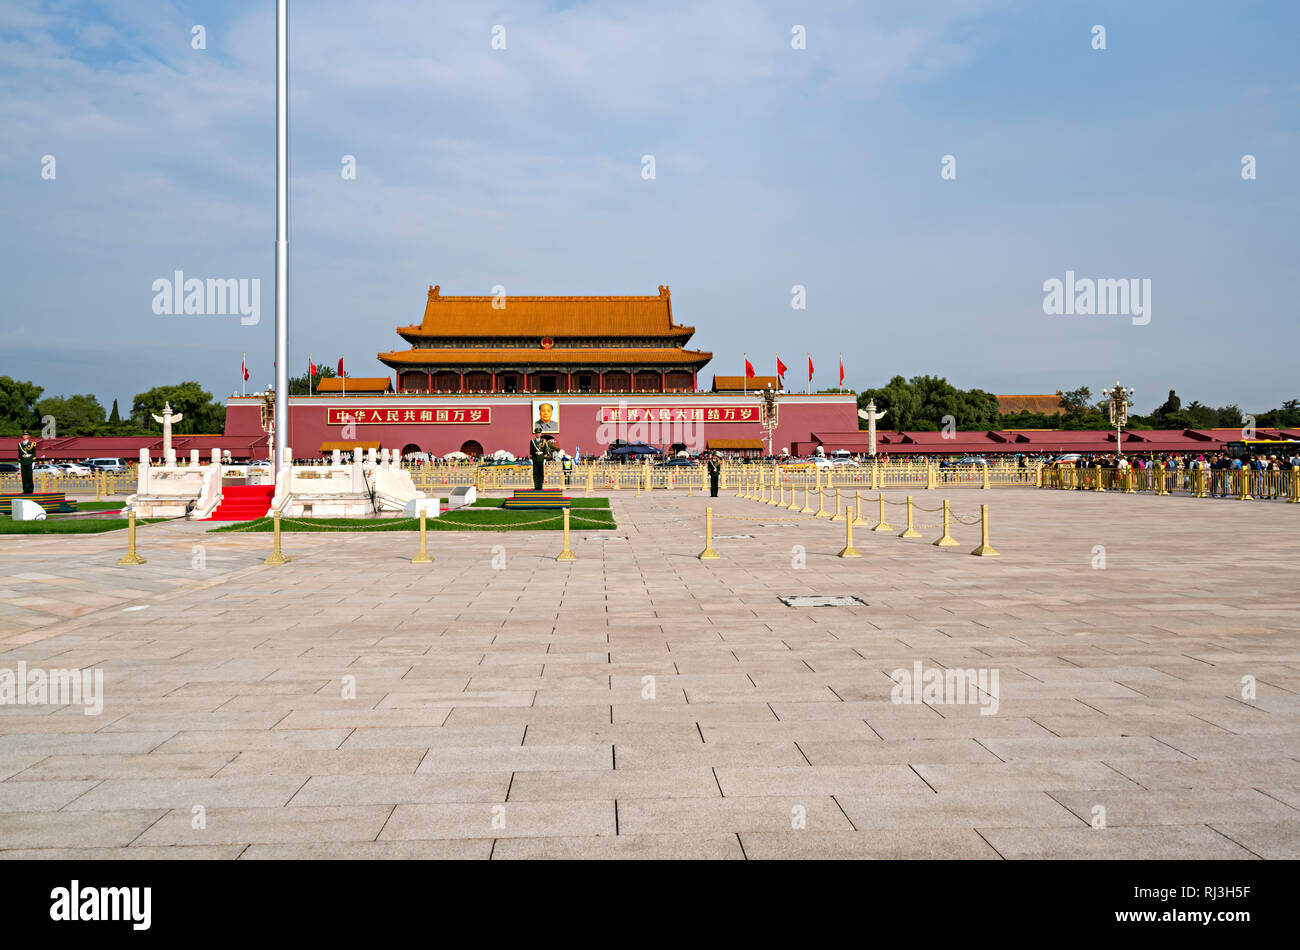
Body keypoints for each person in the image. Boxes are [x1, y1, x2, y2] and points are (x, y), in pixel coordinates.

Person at [18, 430, 37, 495]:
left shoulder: (32, 444)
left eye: (26, 435)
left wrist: (33, 462)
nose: (24, 436)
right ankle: (25, 490)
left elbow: (34, 453)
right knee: (24, 477)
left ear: (29, 436)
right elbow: (19, 455)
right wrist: (19, 463)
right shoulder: (20, 444)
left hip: (29, 461)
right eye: (23, 435)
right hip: (23, 461)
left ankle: (30, 490)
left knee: (29, 477)